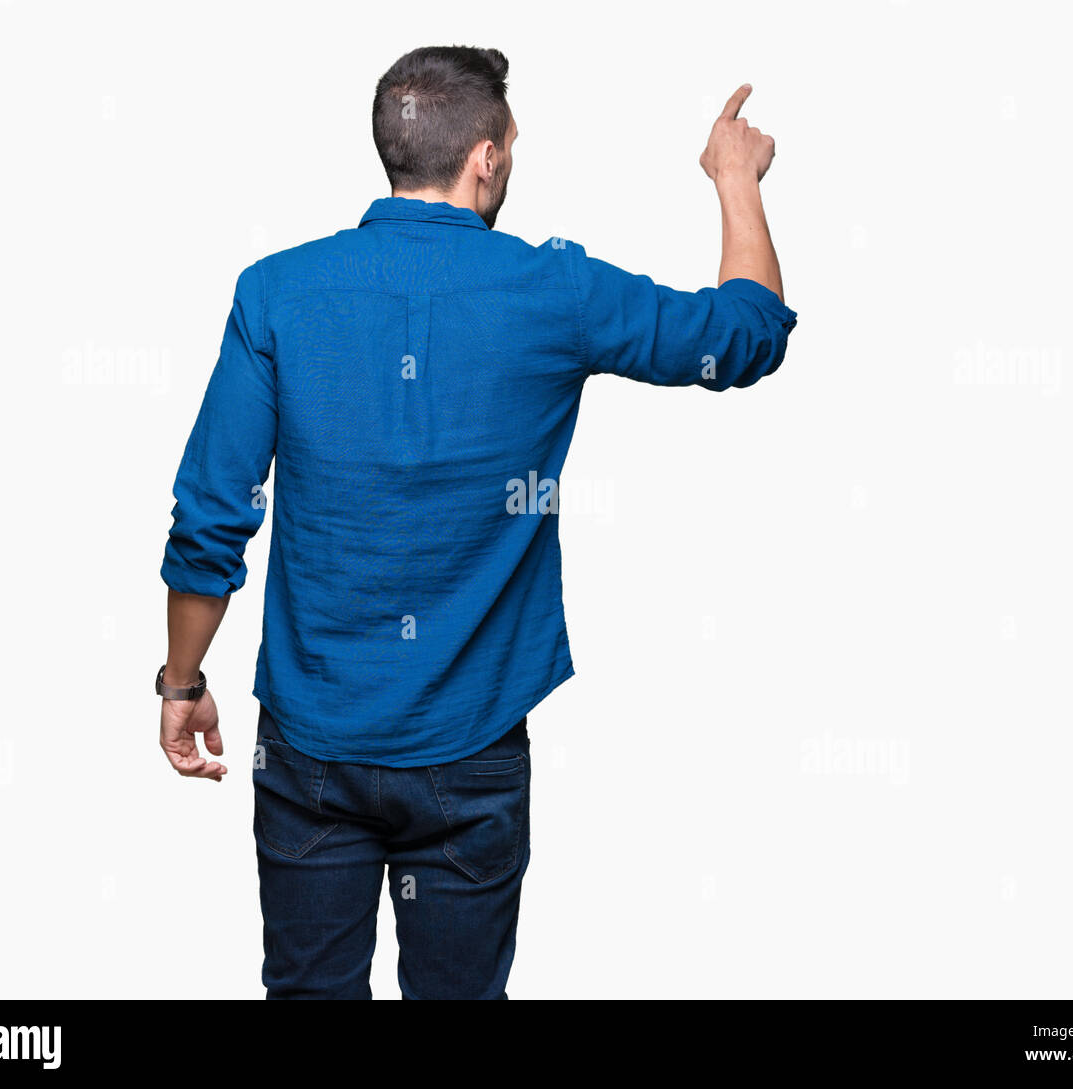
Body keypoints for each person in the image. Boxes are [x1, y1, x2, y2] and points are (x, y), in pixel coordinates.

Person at [155, 45, 796, 999]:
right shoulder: (555, 291)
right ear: (485, 158)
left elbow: (212, 516)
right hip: (473, 749)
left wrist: (181, 680)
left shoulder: (277, 291)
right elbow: (744, 337)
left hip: (311, 746)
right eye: (514, 147)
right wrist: (735, 177)